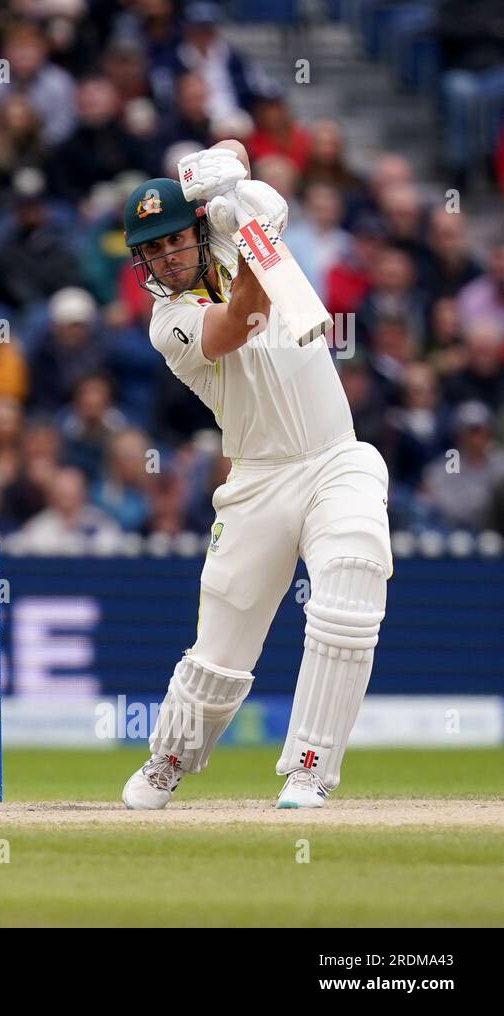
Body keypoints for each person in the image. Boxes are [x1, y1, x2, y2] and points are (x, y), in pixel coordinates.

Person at [118, 141, 392, 810]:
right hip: (258, 484)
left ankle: (308, 768)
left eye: (171, 241)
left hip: (335, 456)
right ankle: (169, 759)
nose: (163, 259)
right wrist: (256, 231)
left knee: (350, 588)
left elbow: (241, 156)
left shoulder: (230, 228)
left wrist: (228, 172)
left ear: (195, 229)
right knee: (219, 652)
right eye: (148, 252)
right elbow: (241, 322)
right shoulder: (168, 323)